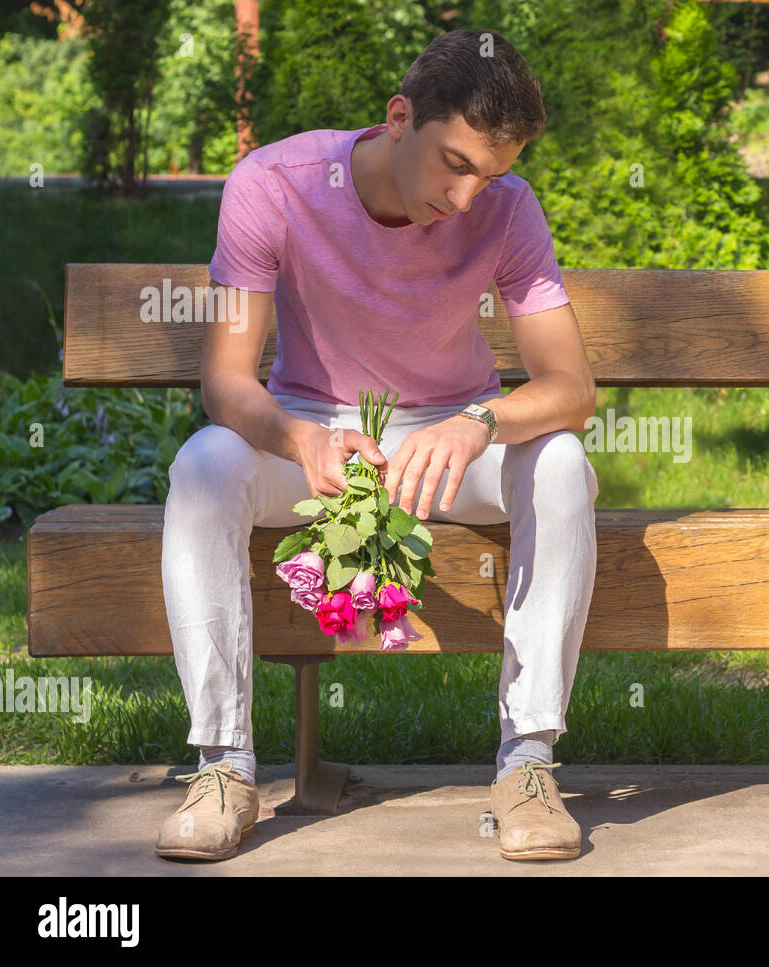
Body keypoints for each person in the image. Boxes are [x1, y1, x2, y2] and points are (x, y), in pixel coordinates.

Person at [154, 29, 597, 863]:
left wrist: (481, 423)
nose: (468, 199)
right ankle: (223, 768)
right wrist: (299, 437)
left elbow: (571, 387)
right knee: (203, 465)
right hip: (312, 441)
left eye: (490, 175)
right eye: (455, 164)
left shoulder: (509, 211)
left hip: (450, 449)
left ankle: (529, 764)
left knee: (565, 463)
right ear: (400, 118)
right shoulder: (274, 184)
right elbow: (225, 380)